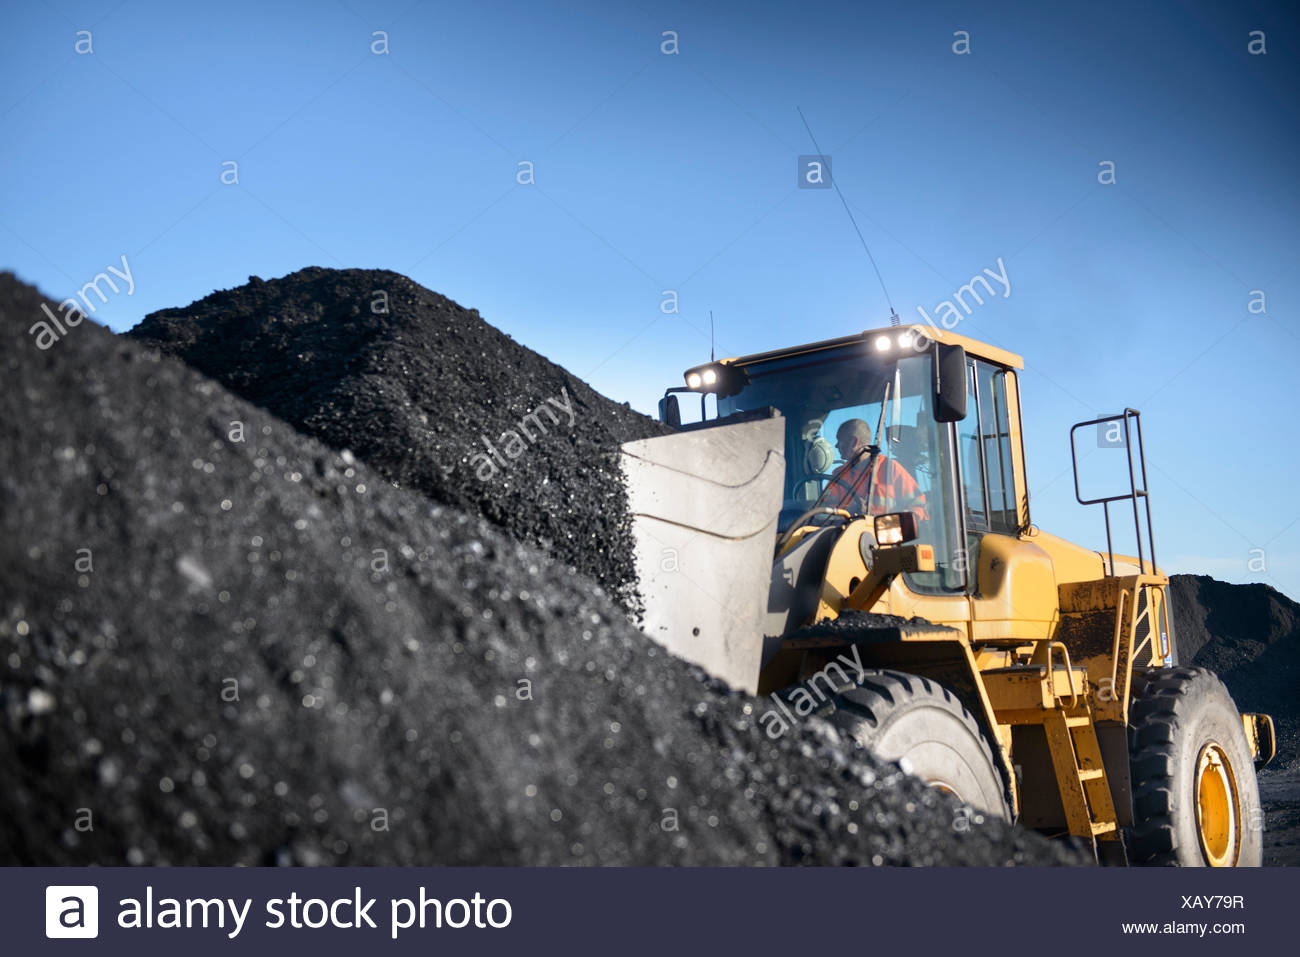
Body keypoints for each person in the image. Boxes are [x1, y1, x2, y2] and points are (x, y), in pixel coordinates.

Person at [825, 418, 927, 519]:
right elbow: (823, 511)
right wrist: (848, 510)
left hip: (884, 534)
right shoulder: (839, 473)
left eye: (840, 441)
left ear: (854, 442)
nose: (836, 446)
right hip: (846, 534)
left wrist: (898, 522)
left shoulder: (890, 469)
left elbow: (918, 507)